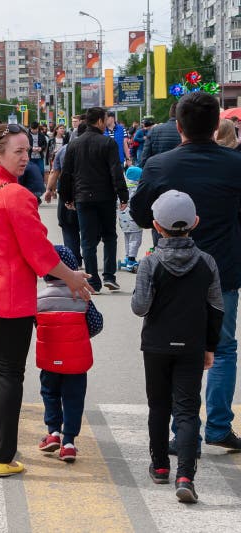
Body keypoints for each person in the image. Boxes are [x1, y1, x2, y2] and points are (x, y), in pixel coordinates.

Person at [0, 123, 93, 477]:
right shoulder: (16, 195)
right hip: (7, 298)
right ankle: (3, 455)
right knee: (9, 373)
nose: (27, 158)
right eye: (19, 152)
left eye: (29, 151)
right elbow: (39, 252)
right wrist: (71, 277)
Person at [130, 91, 241, 453]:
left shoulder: (161, 165)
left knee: (178, 347)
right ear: (217, 126)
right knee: (222, 348)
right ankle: (219, 426)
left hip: (169, 273)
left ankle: (182, 433)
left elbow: (141, 214)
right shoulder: (235, 164)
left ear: (178, 126)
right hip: (222, 269)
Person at [131, 190, 223, 504]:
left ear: (156, 226)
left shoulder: (151, 262)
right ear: (195, 222)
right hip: (193, 345)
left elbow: (140, 308)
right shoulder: (206, 262)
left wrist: (146, 279)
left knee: (159, 406)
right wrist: (210, 345)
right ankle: (186, 476)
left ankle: (159, 466)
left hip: (156, 345)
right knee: (186, 410)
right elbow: (216, 308)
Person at [37, 245, 103, 462]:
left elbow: (38, 326)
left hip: (49, 360)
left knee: (50, 393)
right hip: (76, 362)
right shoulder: (82, 296)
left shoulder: (40, 299)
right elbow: (96, 324)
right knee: (73, 399)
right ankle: (69, 443)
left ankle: (53, 432)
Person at [60, 107, 128, 292]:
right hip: (105, 197)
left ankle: (93, 281)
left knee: (87, 240)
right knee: (109, 236)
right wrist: (123, 194)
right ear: (99, 121)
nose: (107, 122)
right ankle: (109, 276)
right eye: (105, 119)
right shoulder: (108, 143)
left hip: (82, 197)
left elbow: (66, 173)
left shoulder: (74, 144)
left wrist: (66, 196)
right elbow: (116, 171)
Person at [43, 124, 84, 269]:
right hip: (90, 193)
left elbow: (55, 172)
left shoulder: (64, 150)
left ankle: (75, 260)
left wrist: (49, 189)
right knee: (88, 228)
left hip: (67, 193)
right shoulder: (99, 146)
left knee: (68, 227)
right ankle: (88, 256)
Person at [139, 103, 181, 168]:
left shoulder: (154, 131)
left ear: (170, 114)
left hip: (158, 172)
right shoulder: (188, 131)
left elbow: (145, 158)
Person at [118, 166, 143, 272]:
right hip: (135, 220)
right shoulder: (138, 189)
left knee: (128, 239)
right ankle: (131, 259)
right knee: (136, 240)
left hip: (123, 220)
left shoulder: (123, 189)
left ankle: (128, 257)